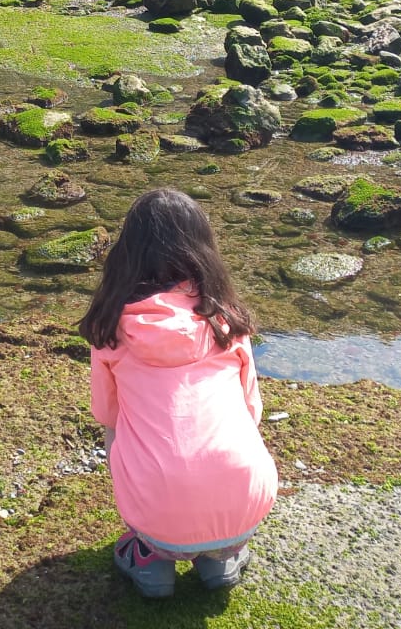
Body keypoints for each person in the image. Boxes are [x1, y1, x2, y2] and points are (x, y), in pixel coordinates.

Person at [79, 188, 279, 598]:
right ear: (204, 249)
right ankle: (220, 559)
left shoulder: (113, 331)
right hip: (247, 501)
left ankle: (153, 564)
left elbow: (108, 418)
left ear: (127, 252)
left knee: (122, 437)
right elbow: (251, 412)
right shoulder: (227, 321)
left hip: (156, 514)